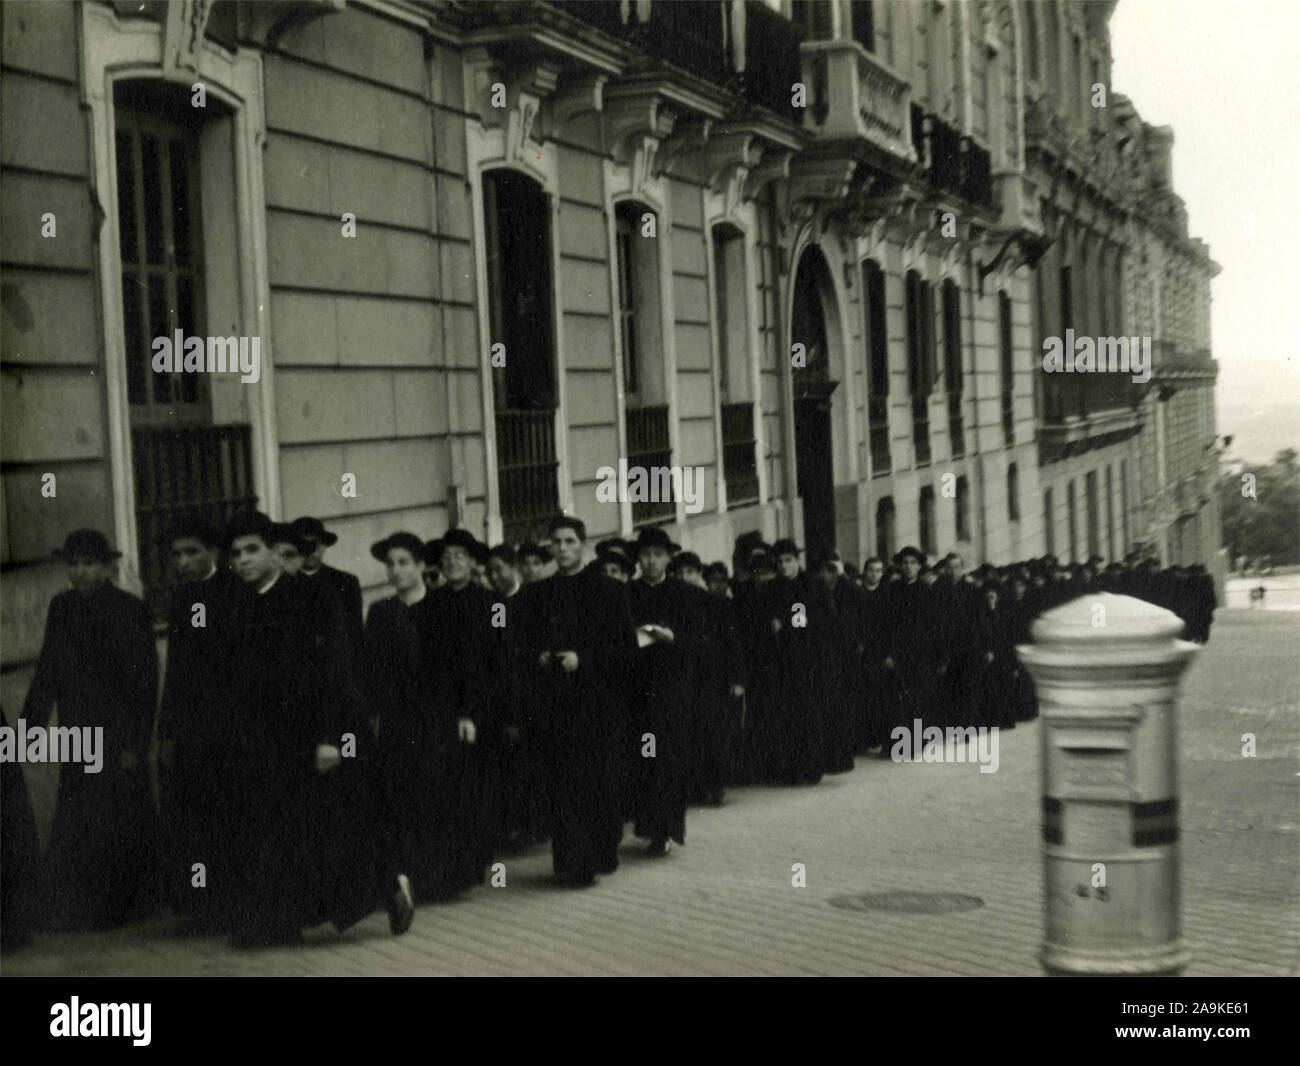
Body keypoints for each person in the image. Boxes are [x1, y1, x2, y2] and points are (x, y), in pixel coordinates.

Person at [221, 512, 412, 947]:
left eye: (253, 550)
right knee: (276, 829)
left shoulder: (315, 599)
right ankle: (277, 920)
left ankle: (390, 888)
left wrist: (330, 738)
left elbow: (336, 673)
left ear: (273, 552)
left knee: (338, 826)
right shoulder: (239, 606)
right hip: (264, 740)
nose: (244, 560)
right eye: (236, 554)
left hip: (314, 733)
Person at [21, 530, 160, 931]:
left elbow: (145, 681)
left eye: (88, 564)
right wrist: (30, 727)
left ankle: (132, 905)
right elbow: (48, 667)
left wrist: (137, 740)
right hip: (78, 731)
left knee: (122, 819)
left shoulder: (130, 609)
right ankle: (83, 907)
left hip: (118, 737)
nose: (79, 572)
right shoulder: (61, 608)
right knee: (80, 818)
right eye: (73, 564)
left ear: (107, 568)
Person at [515, 516, 636, 887]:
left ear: (582, 544)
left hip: (598, 705)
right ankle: (572, 863)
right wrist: (538, 656)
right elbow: (517, 645)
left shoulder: (609, 591)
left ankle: (600, 852)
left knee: (598, 782)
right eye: (556, 542)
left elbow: (626, 652)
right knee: (564, 784)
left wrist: (583, 660)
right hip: (556, 705)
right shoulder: (536, 595)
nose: (562, 549)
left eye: (569, 541)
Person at [157, 517, 242, 932]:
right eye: (176, 554)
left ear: (213, 551)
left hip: (229, 728)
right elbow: (177, 670)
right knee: (193, 823)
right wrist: (167, 732)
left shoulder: (234, 592)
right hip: (192, 732)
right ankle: (199, 907)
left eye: (192, 551)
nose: (184, 561)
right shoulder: (182, 600)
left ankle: (229, 905)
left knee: (228, 821)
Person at [409, 529, 503, 900]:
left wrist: (477, 712)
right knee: (451, 792)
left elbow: (499, 658)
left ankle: (477, 862)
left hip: (483, 710)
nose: (452, 562)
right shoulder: (432, 605)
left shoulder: (494, 605)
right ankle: (454, 870)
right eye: (446, 557)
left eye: (460, 556)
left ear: (473, 561)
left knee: (480, 790)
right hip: (444, 711)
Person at [626, 527, 706, 856]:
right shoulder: (627, 594)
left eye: (658, 555)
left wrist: (672, 637)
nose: (651, 561)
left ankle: (667, 829)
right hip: (638, 692)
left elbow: (699, 641)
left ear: (667, 558)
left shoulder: (683, 594)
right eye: (645, 555)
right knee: (645, 758)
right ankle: (647, 825)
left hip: (671, 692)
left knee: (668, 761)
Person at [363, 532, 429, 902]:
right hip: (394, 720)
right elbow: (371, 668)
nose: (396, 570)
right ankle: (405, 873)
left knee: (429, 794)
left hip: (430, 718)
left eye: (404, 562)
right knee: (397, 796)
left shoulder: (437, 609)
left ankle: (432, 874)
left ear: (421, 565)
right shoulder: (381, 612)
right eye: (390, 563)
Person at [755, 539, 826, 785]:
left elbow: (817, 622)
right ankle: (791, 769)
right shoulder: (772, 588)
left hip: (808, 662)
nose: (784, 566)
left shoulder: (812, 586)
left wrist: (783, 623)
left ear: (797, 560)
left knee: (808, 716)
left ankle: (811, 768)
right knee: (786, 718)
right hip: (782, 663)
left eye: (788, 560)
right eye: (780, 562)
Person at [292, 516, 365, 678]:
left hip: (337, 673)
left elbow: (355, 635)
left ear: (324, 545)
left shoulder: (345, 582)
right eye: (305, 545)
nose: (311, 551)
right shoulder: (286, 583)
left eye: (316, 544)